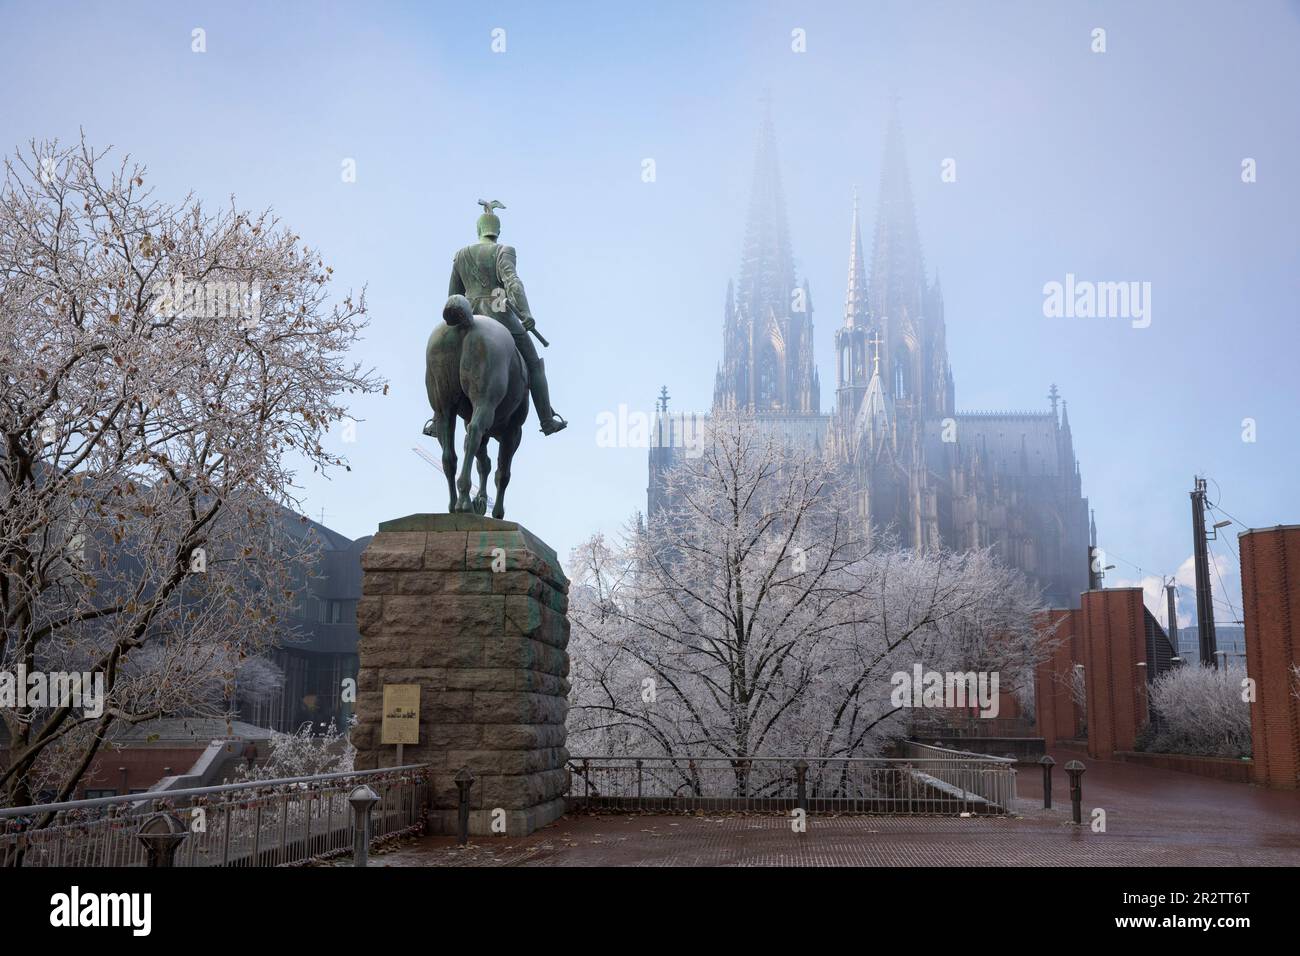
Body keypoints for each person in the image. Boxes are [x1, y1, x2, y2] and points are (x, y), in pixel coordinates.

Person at [446, 200, 566, 434]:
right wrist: (526, 313)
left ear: (479, 230)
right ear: (496, 231)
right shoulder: (504, 250)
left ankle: (436, 416)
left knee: (446, 359)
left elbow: (453, 295)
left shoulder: (460, 255)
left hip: (466, 313)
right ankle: (546, 420)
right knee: (533, 364)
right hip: (498, 312)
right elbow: (512, 283)